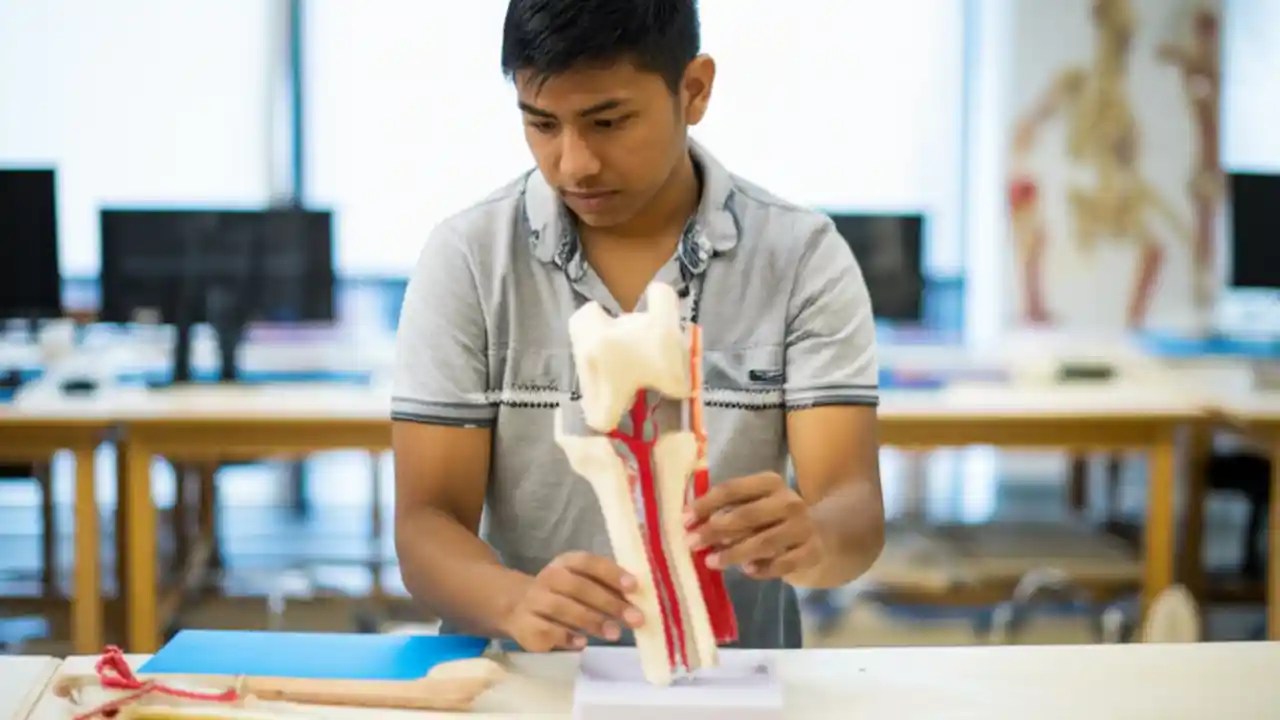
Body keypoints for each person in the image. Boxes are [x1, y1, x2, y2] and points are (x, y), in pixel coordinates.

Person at [391, 0, 884, 654]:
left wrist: (814, 538)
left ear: (695, 89)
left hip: (731, 685)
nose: (573, 164)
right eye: (541, 124)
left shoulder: (800, 257)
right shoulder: (469, 259)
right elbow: (425, 524)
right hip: (526, 683)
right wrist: (513, 600)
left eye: (609, 121)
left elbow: (853, 509)